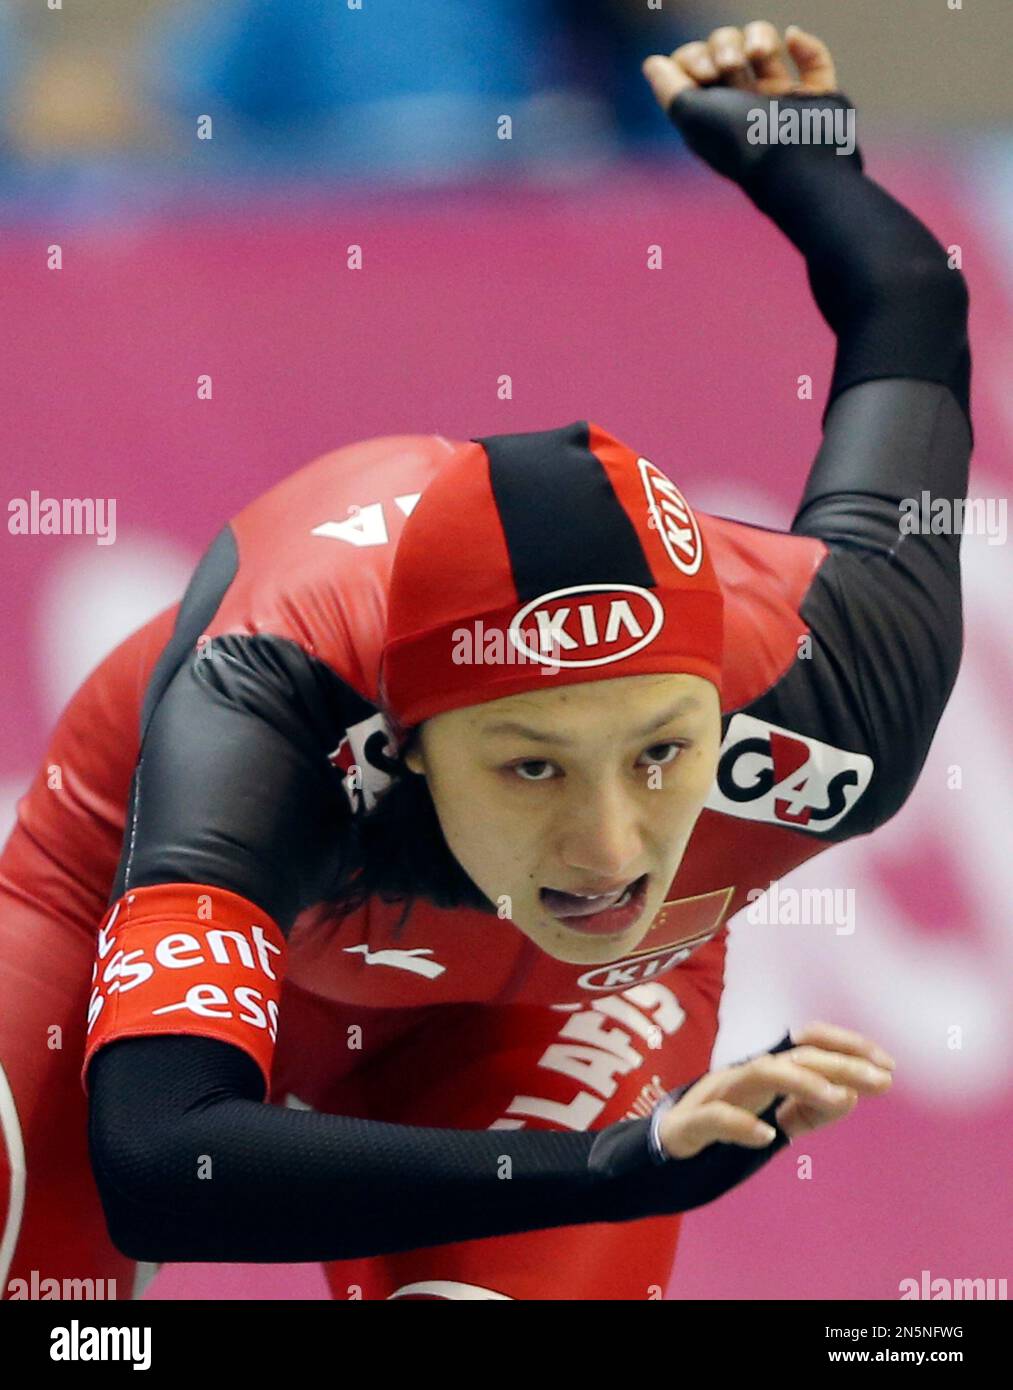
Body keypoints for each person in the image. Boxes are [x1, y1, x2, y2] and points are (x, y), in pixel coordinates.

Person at [0, 22, 969, 1302]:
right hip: (128, 903)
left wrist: (792, 147)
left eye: (661, 752)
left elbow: (909, 302)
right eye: (529, 767)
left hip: (552, 1003)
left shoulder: (842, 682)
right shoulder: (272, 714)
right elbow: (158, 1155)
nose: (610, 847)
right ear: (401, 741)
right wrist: (606, 1170)